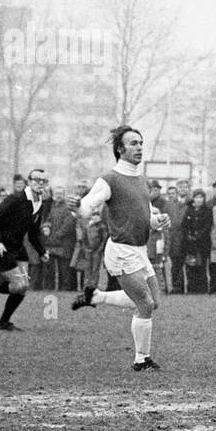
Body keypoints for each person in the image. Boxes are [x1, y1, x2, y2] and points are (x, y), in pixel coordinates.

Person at [69, 126, 171, 371]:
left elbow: (145, 215)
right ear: (120, 149)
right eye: (133, 143)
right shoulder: (110, 179)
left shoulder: (141, 178)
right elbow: (88, 206)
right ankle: (141, 359)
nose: (139, 148)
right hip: (121, 251)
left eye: (140, 143)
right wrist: (78, 207)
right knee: (145, 304)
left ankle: (97, 296)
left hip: (139, 250)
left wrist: (158, 221)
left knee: (153, 302)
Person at [0, 167, 51, 332]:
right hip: (2, 247)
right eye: (36, 180)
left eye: (43, 181)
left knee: (23, 286)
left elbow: (33, 233)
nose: (40, 183)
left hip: (18, 246)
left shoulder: (39, 202)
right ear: (29, 182)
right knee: (19, 284)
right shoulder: (16, 199)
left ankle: (3, 322)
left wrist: (42, 251)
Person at [182, 189, 212, 294]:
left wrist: (198, 236)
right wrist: (188, 237)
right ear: (193, 198)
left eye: (201, 197)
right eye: (197, 197)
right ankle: (191, 289)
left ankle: (202, 289)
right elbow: (184, 225)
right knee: (190, 266)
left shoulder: (207, 211)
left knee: (202, 266)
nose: (199, 200)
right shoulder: (189, 210)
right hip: (190, 244)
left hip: (202, 243)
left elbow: (207, 226)